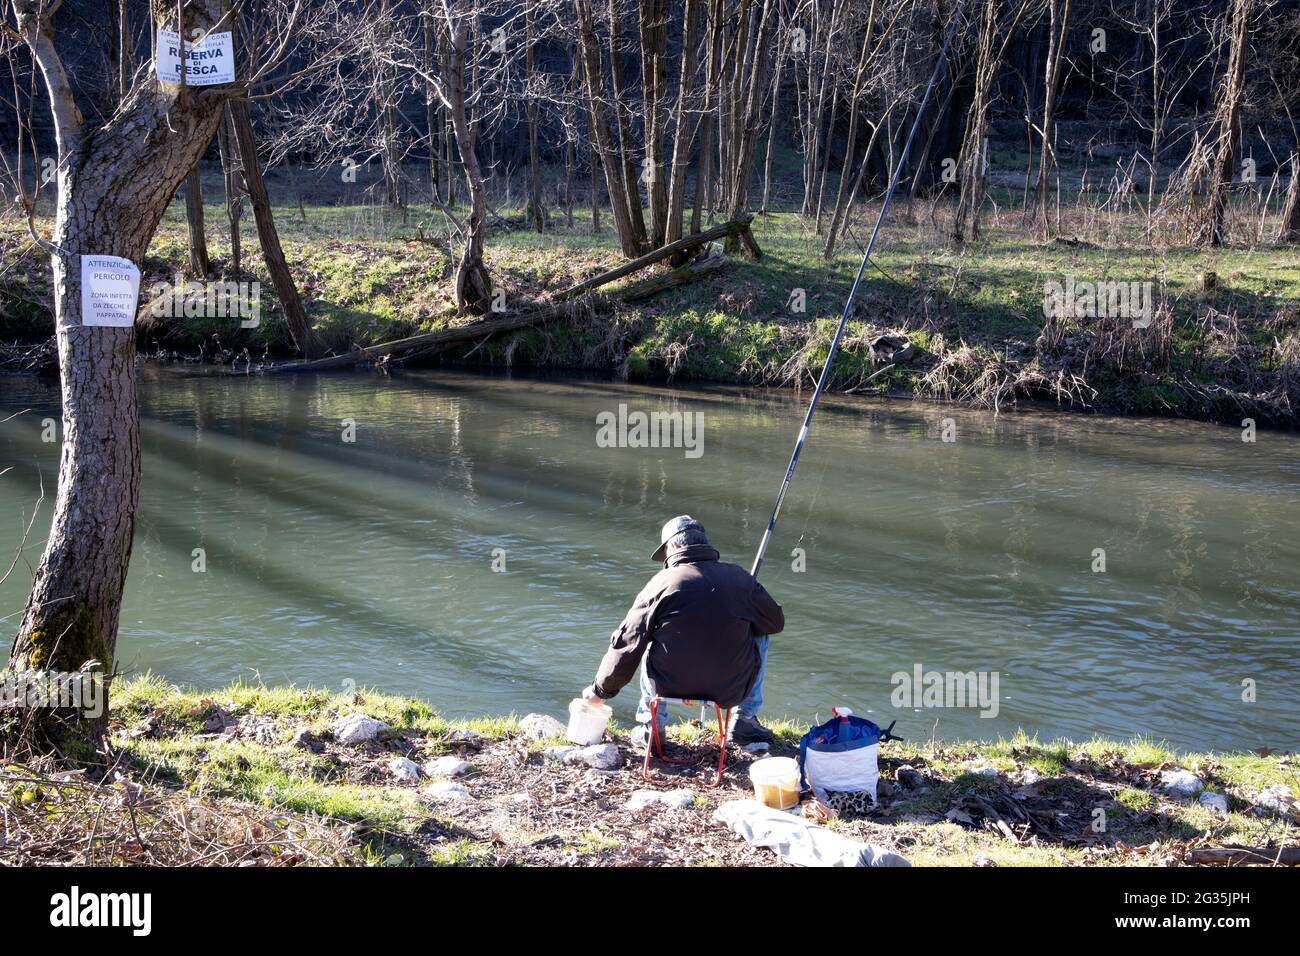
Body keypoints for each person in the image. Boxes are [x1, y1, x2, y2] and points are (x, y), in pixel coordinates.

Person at [581, 515, 784, 748]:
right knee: (759, 631)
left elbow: (627, 643)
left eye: (665, 552)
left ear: (675, 546)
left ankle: (652, 727)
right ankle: (744, 719)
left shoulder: (661, 583)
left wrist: (600, 690)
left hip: (669, 687)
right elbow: (775, 622)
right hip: (732, 689)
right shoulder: (739, 578)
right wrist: (745, 602)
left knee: (646, 636)